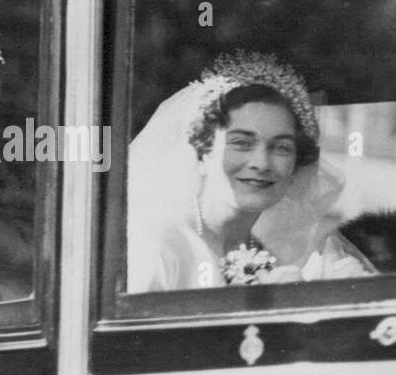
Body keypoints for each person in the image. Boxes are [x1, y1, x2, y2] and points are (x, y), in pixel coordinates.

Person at [127, 51, 375, 293]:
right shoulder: (160, 247)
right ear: (202, 155)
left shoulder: (273, 257)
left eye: (281, 147)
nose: (261, 163)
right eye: (241, 143)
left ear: (294, 169)